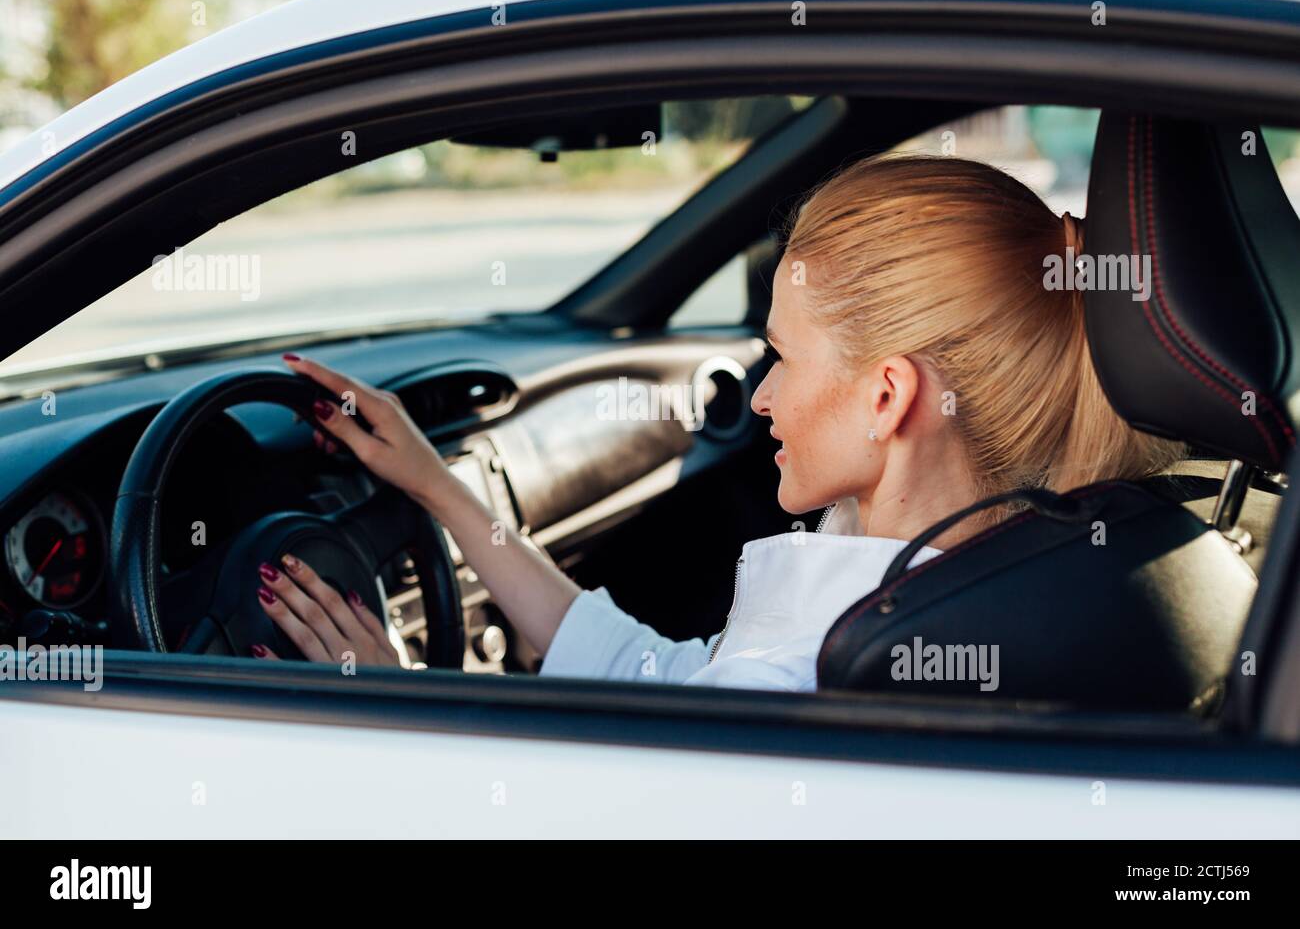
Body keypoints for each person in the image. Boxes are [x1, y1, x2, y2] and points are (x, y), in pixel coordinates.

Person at [248, 155, 1182, 690]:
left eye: (781, 355)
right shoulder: (1014, 578)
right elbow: (654, 676)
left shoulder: (807, 677)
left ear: (888, 397)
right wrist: (440, 487)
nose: (761, 394)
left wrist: (391, 707)